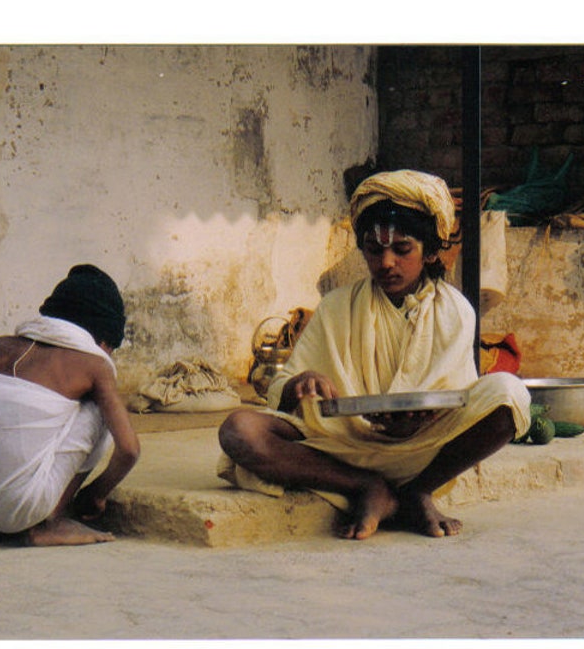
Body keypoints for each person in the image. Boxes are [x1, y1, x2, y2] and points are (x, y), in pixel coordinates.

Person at [218, 170, 531, 540]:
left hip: (423, 446)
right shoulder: (337, 306)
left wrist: (416, 421)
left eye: (402, 250)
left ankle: (418, 491)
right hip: (342, 443)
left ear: (430, 251)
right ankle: (366, 487)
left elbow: (455, 396)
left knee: (510, 395)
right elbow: (283, 392)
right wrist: (299, 383)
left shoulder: (456, 311)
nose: (386, 263)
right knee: (239, 430)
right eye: (374, 249)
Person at [0, 264, 140, 547]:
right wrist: (96, 493)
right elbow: (130, 449)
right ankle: (49, 521)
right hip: (24, 506)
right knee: (100, 411)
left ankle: (18, 517)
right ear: (100, 336)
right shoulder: (94, 365)